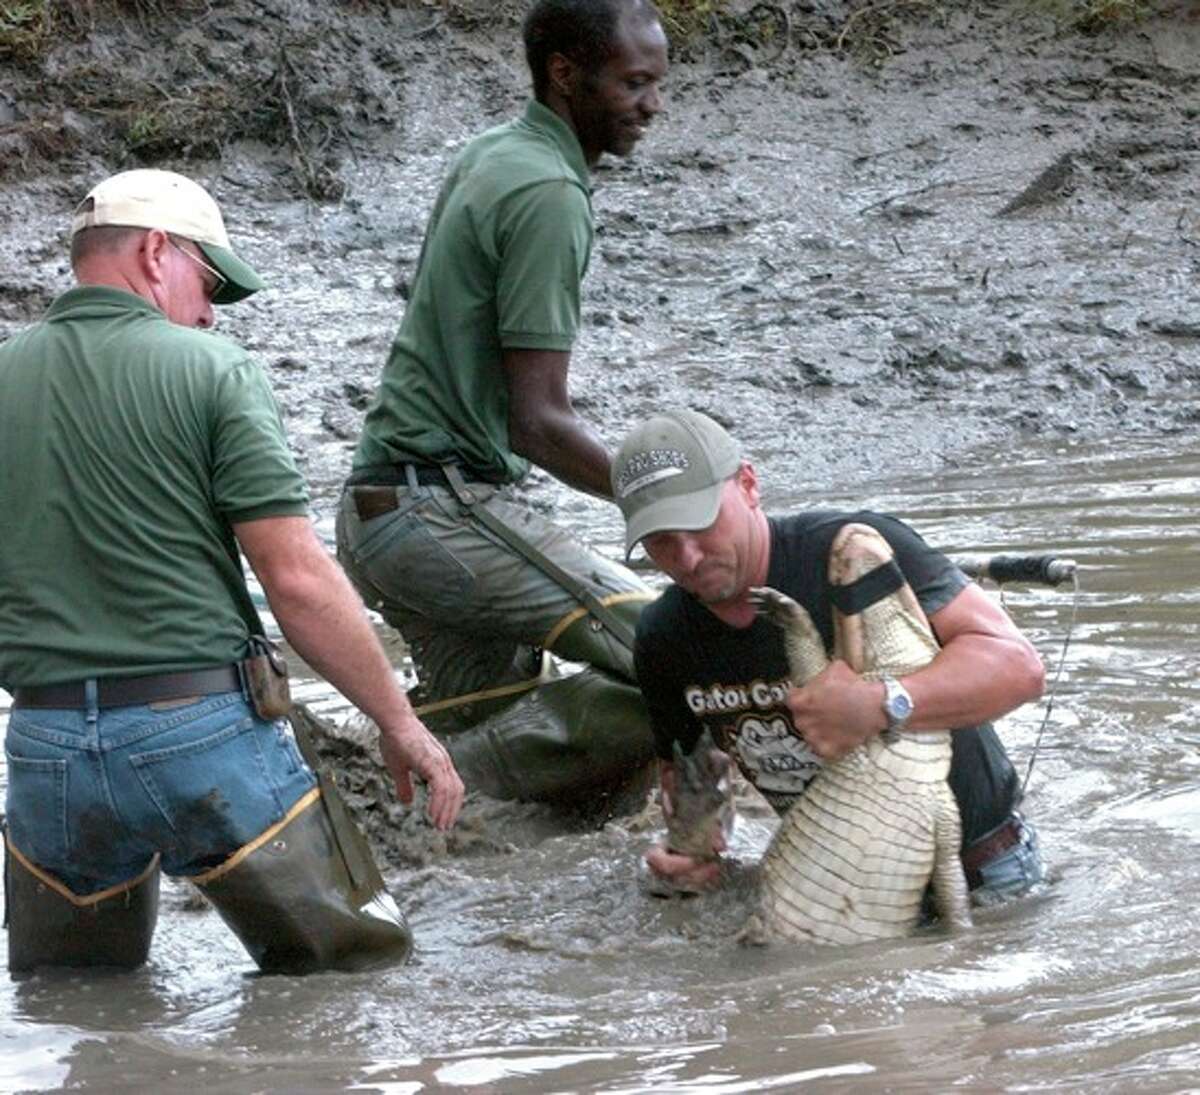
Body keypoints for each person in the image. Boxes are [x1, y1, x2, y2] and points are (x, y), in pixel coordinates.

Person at [0, 168, 464, 976]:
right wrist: (400, 721)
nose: (212, 311)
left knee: (77, 1000)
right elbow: (297, 580)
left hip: (46, 747)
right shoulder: (214, 370)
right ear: (155, 253)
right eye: (209, 282)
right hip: (198, 731)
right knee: (354, 974)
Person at [335, 0, 670, 803]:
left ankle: (411, 792)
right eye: (633, 83)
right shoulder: (550, 192)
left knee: (507, 767)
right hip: (440, 513)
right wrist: (674, 503)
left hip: (378, 513)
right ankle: (446, 777)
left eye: (657, 84)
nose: (653, 106)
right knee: (680, 652)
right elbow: (539, 424)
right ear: (565, 74)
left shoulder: (494, 151)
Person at [611, 409, 1049, 905]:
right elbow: (692, 780)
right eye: (662, 541)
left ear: (749, 485)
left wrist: (882, 704)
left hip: (983, 873)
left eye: (702, 523)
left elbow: (1019, 667)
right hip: (837, 893)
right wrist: (691, 858)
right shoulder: (664, 637)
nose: (688, 557)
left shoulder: (851, 552)